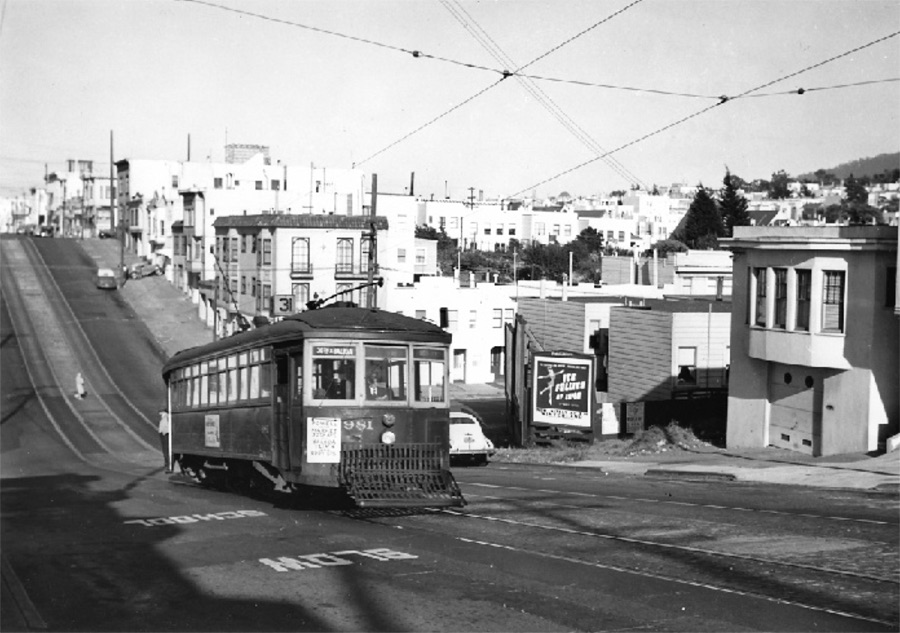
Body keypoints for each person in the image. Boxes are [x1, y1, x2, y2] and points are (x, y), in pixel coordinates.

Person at [158, 406, 171, 473]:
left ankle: (168, 464)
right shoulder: (165, 417)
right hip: (164, 434)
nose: (159, 413)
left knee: (166, 450)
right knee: (165, 450)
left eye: (160, 411)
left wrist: (163, 432)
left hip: (165, 435)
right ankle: (167, 463)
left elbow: (166, 427)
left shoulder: (166, 417)